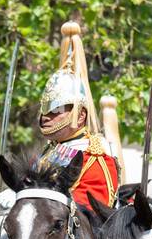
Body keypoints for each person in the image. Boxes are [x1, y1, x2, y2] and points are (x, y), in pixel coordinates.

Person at [33, 22, 120, 209]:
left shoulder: (94, 154)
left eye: (55, 110)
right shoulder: (49, 152)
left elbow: (92, 206)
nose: (46, 117)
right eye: (45, 109)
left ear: (80, 116)